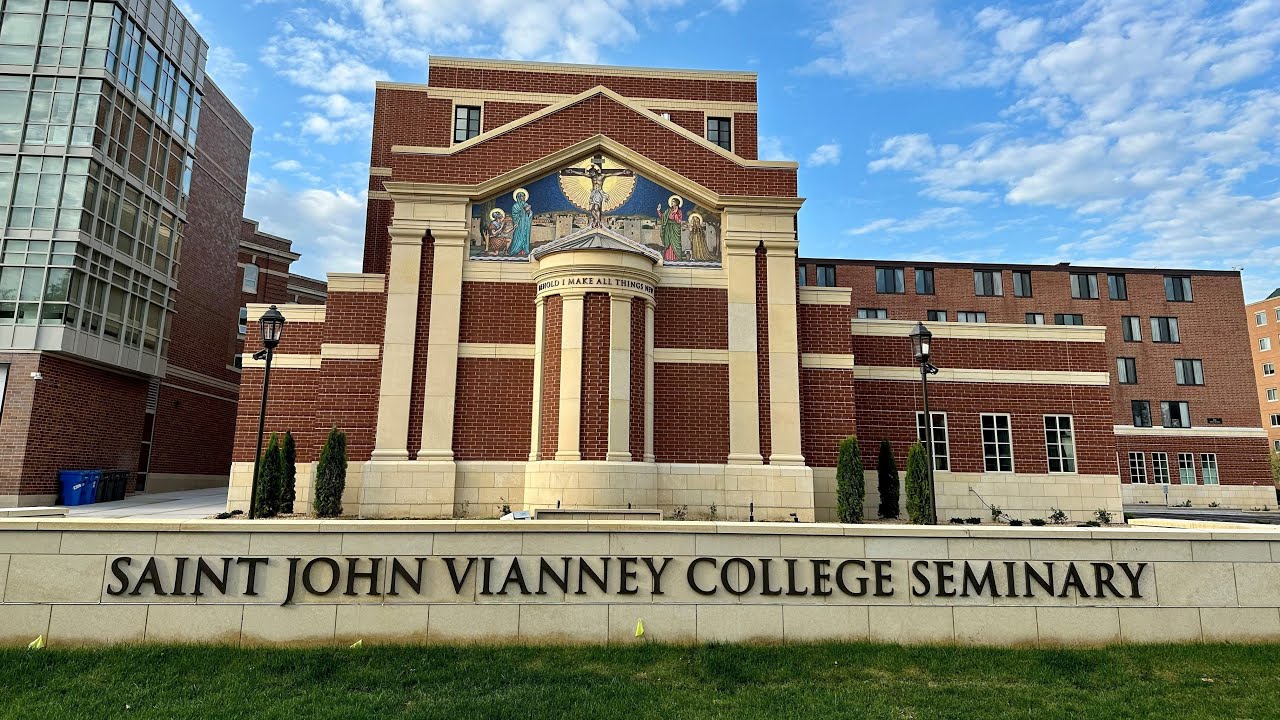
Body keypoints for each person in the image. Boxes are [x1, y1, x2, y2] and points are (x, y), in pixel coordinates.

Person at [656, 196, 683, 261]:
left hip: (675, 229)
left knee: (675, 243)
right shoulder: (668, 210)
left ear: (677, 203)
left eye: (673, 201)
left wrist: (675, 213)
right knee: (668, 243)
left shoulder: (679, 211)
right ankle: (668, 257)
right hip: (668, 228)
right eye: (671, 201)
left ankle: (676, 257)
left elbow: (679, 221)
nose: (672, 202)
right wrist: (658, 210)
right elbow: (663, 217)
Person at [510, 189, 532, 256]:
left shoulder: (526, 204)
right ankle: (516, 249)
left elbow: (530, 213)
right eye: (522, 196)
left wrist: (528, 211)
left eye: (524, 196)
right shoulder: (515, 206)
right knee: (518, 236)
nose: (523, 198)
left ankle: (524, 250)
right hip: (519, 224)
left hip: (525, 223)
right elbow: (514, 214)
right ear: (518, 197)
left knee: (525, 235)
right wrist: (522, 212)